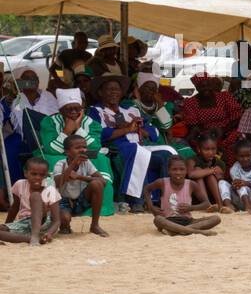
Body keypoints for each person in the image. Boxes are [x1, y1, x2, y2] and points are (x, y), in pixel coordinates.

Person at [90, 72, 176, 209]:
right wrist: (127, 129)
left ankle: (166, 198)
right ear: (100, 92)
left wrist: (138, 129)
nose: (114, 92)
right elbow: (99, 134)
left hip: (140, 146)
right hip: (117, 148)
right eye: (109, 89)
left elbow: (153, 132)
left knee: (168, 153)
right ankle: (136, 200)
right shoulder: (95, 111)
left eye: (117, 89)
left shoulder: (131, 110)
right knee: (136, 151)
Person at [37, 88, 115, 216]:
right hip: (57, 154)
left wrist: (78, 128)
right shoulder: (48, 122)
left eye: (77, 108)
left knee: (101, 159)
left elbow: (95, 147)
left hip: (85, 154)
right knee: (49, 159)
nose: (74, 112)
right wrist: (67, 131)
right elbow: (49, 148)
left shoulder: (92, 124)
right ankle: (53, 208)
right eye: (69, 109)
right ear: (61, 110)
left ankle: (102, 208)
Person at [143, 154, 222, 236]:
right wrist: (151, 207)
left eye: (182, 169)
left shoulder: (191, 184)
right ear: (168, 171)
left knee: (216, 218)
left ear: (186, 171)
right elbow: (146, 189)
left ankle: (175, 231)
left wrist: (191, 208)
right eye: (174, 169)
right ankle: (198, 232)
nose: (178, 172)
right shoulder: (162, 182)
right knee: (157, 219)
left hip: (188, 221)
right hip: (168, 220)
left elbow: (206, 203)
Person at [179, 72, 243, 162]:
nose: (205, 88)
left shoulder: (224, 96)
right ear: (197, 88)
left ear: (211, 84)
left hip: (228, 131)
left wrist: (222, 130)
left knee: (236, 141)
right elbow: (192, 125)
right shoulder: (190, 103)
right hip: (205, 135)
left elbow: (237, 116)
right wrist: (207, 136)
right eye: (201, 86)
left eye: (207, 85)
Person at [52, 133, 108, 236]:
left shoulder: (86, 162)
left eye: (84, 147)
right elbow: (57, 182)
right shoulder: (60, 164)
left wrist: (79, 177)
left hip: (81, 200)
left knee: (97, 184)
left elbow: (103, 182)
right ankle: (65, 226)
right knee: (64, 219)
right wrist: (73, 164)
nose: (82, 150)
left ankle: (94, 225)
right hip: (64, 201)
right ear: (67, 152)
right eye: (77, 148)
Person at [129, 75, 194, 159]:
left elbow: (167, 127)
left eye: (154, 88)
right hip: (144, 142)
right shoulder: (131, 105)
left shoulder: (165, 105)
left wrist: (160, 104)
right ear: (139, 89)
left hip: (163, 141)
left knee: (188, 152)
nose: (151, 91)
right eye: (147, 87)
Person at [0, 156, 58, 245]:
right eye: (34, 174)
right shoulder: (19, 184)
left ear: (46, 175)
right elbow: (14, 208)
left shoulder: (50, 189)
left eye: (42, 175)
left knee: (35, 196)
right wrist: (7, 226)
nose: (38, 177)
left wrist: (49, 233)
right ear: (26, 173)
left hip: (43, 222)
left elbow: (56, 220)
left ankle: (35, 236)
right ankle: (30, 238)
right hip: (24, 223)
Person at [188, 132, 234, 212]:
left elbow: (221, 182)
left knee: (210, 176)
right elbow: (191, 174)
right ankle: (205, 203)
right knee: (198, 171)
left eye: (213, 149)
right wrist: (211, 170)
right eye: (207, 149)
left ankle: (220, 205)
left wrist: (219, 176)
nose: (211, 152)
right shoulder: (192, 160)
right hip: (197, 195)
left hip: (213, 196)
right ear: (199, 149)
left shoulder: (219, 163)